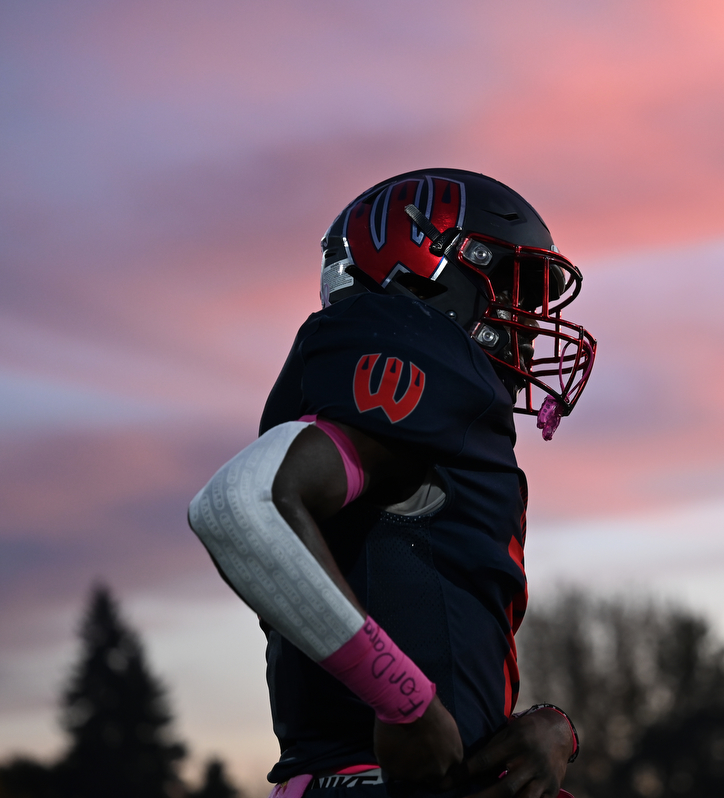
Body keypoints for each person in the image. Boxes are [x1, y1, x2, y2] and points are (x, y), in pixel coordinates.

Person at [188, 169, 596, 797]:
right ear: (423, 269)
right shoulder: (418, 344)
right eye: (511, 287)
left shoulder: (439, 425)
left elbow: (435, 633)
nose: (532, 326)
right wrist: (403, 702)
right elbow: (241, 505)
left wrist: (550, 729)